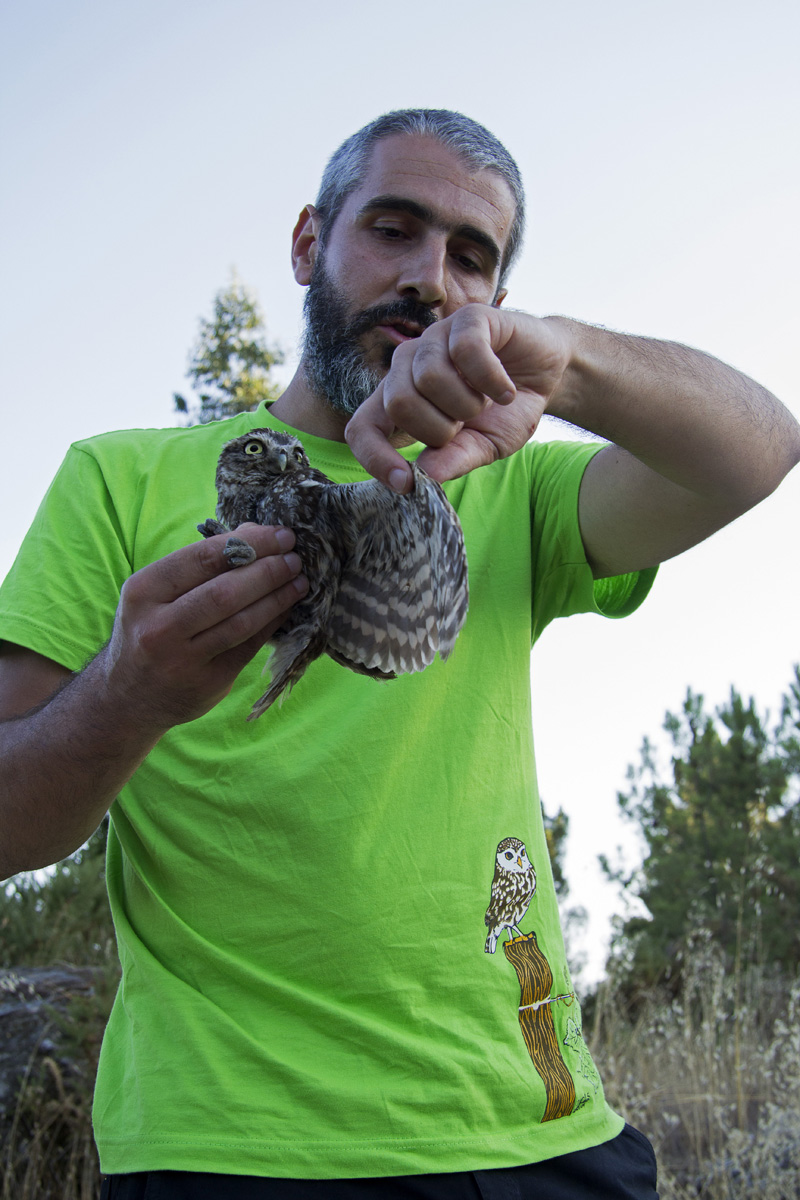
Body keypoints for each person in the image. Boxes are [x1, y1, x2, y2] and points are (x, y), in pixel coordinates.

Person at [0, 109, 797, 1200]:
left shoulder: (511, 487)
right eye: (392, 227)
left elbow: (755, 450)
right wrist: (124, 697)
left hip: (538, 1138)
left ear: (495, 302)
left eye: (470, 257)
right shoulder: (119, 480)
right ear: (305, 244)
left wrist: (567, 365)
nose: (430, 278)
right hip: (233, 1151)